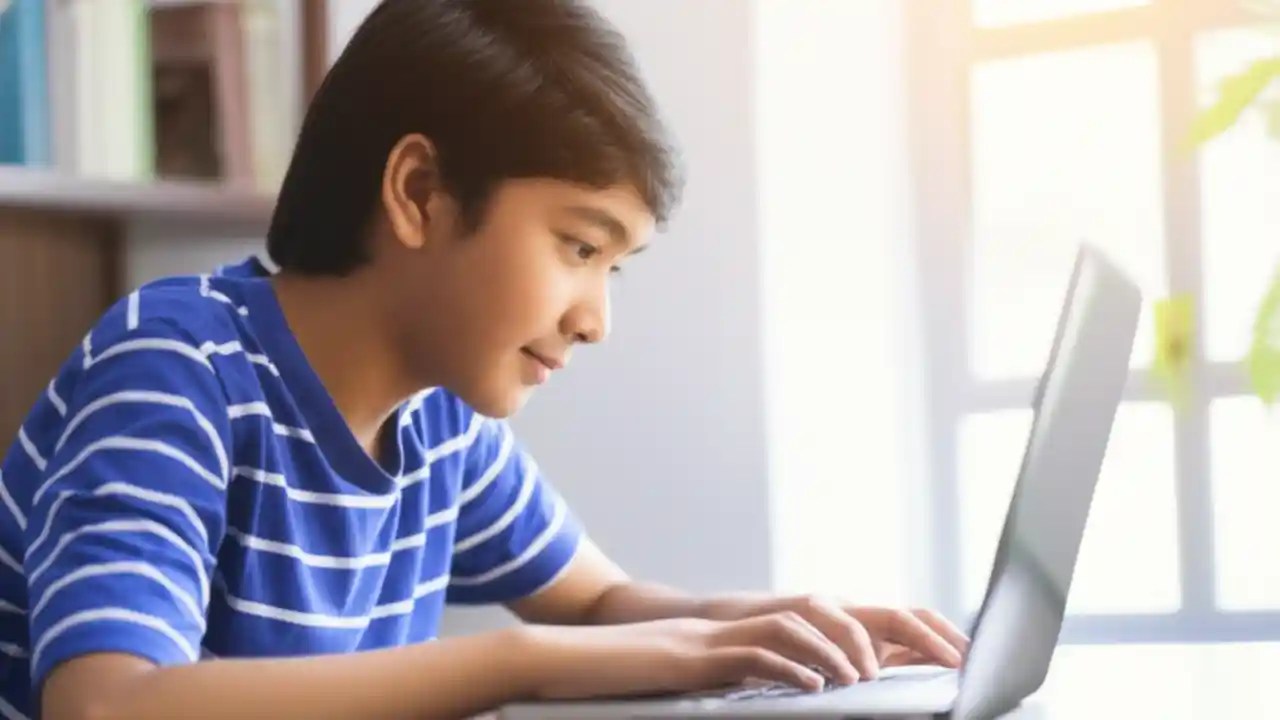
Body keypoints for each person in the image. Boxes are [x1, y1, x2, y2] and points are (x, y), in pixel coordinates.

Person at [0, 1, 967, 718]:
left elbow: (596, 600)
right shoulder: (178, 366)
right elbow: (107, 704)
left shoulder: (438, 420)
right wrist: (515, 663)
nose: (596, 320)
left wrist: (761, 624)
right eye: (579, 248)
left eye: (615, 269)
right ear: (418, 191)